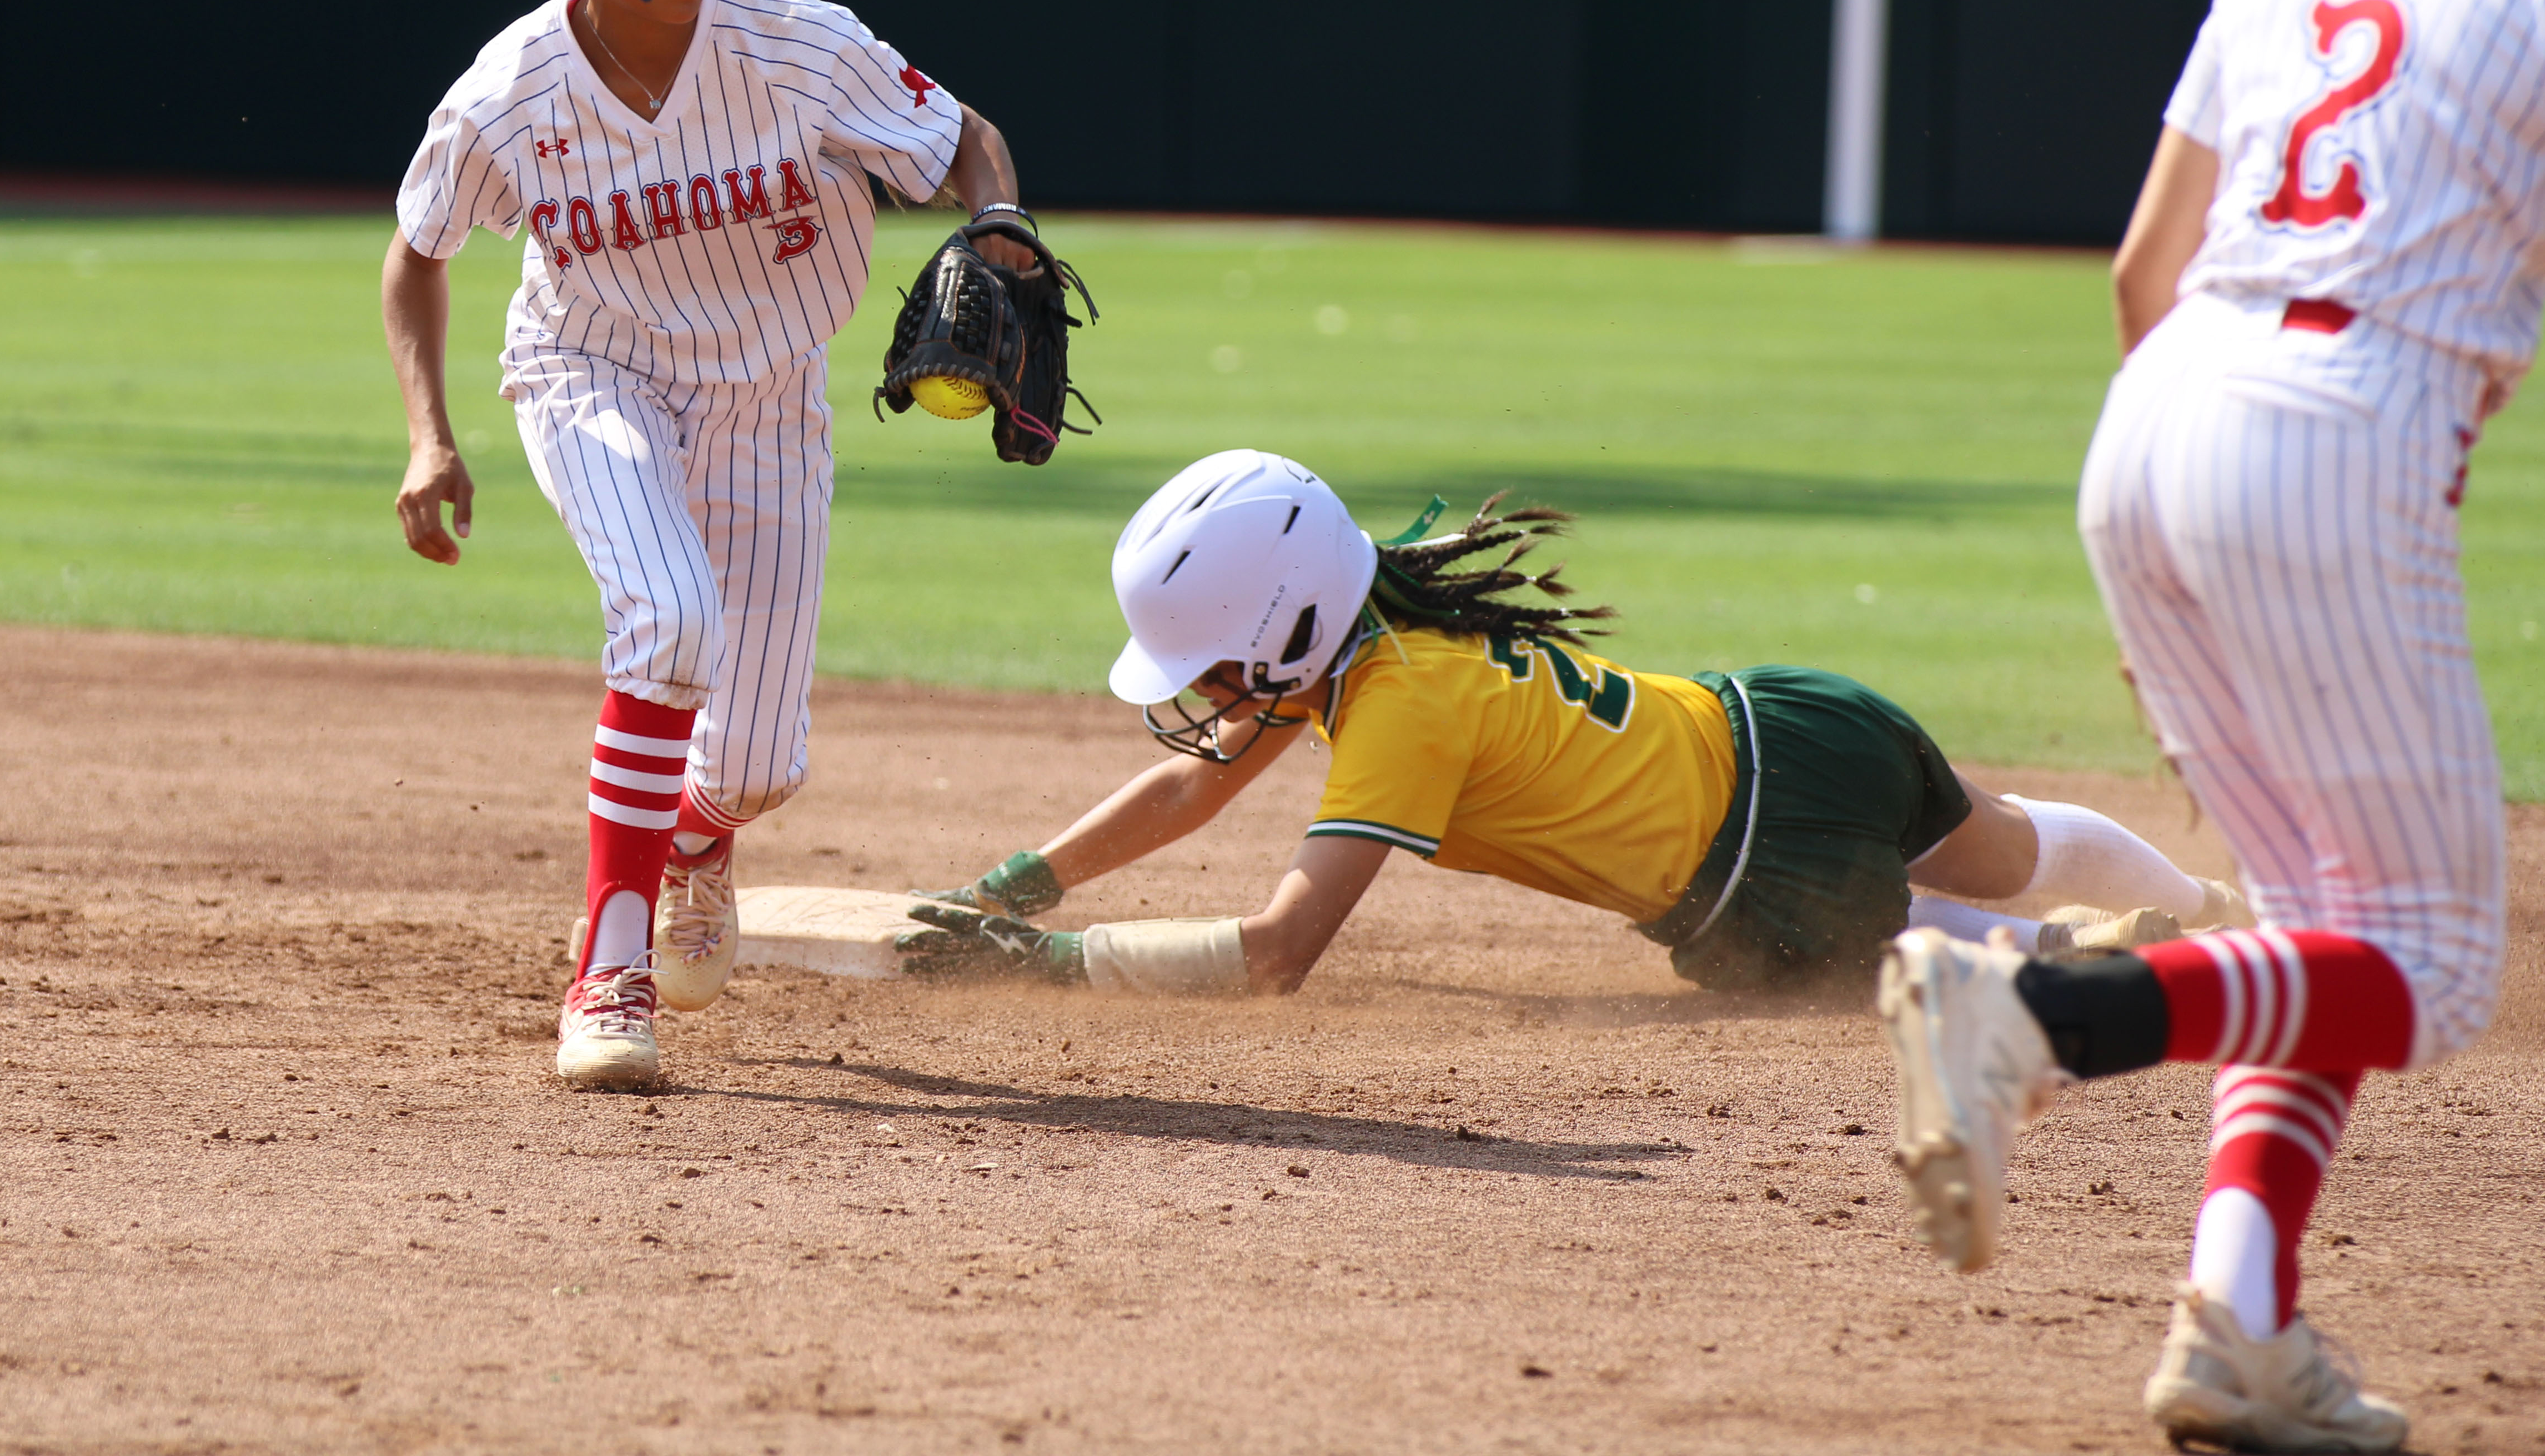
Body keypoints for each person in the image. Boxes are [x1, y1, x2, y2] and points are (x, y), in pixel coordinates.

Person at [1874, 0, 2544, 1454]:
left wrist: (2201, 554)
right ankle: (2040, 1006)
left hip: (2162, 425)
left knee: (2329, 926)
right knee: (2431, 970)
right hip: (2327, 439)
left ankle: (2239, 1323)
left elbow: (2141, 273)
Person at [381, 0, 1032, 1090]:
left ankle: (695, 842)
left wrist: (1000, 223)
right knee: (669, 620)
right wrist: (428, 438)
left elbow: (965, 139)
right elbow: (418, 259)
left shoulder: (788, 34)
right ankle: (607, 975)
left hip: (771, 391)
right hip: (591, 369)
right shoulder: (510, 93)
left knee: (756, 765)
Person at [904, 450, 2243, 1001]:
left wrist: (1049, 956)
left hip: (1757, 878)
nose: (1201, 698)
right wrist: (1022, 880)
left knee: (1962, 968)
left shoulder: (1401, 715)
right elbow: (1192, 795)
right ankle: (2218, 905)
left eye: (1214, 666)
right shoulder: (1386, 645)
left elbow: (1276, 952)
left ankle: (2172, 963)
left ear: (1289, 627)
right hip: (1790, 724)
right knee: (2009, 849)